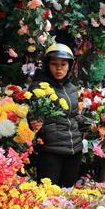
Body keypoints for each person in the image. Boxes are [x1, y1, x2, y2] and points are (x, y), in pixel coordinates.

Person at [29, 43, 85, 188]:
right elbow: (32, 115)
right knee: (47, 197)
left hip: (74, 150)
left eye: (63, 64)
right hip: (51, 151)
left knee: (68, 195)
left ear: (70, 65)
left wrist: (94, 125)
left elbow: (73, 117)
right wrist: (33, 123)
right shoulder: (39, 87)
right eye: (54, 64)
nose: (59, 68)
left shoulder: (72, 89)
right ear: (47, 65)